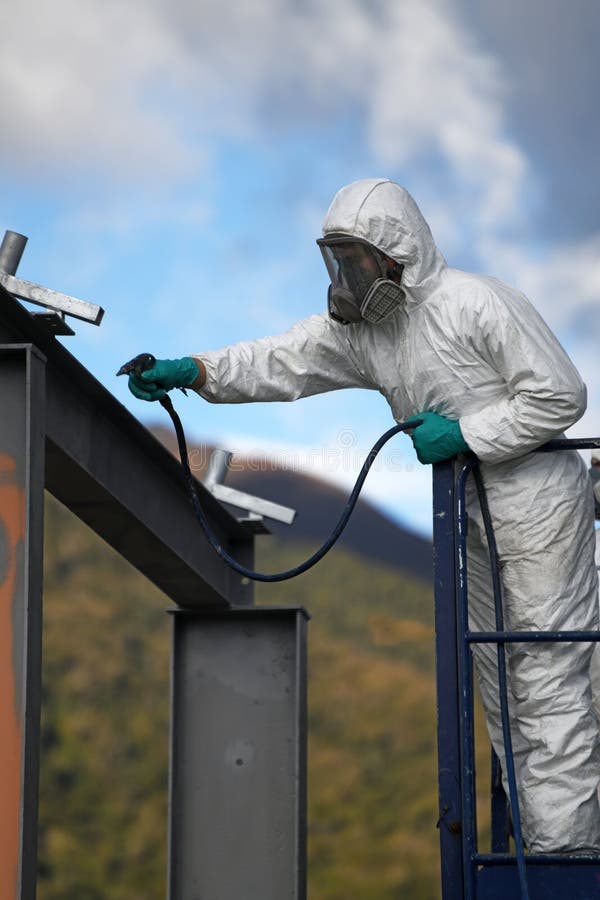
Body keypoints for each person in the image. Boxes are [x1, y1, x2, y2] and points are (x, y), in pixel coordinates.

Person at [127, 178, 600, 854]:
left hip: (540, 509)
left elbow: (561, 394)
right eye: (338, 259)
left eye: (357, 258)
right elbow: (282, 360)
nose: (347, 275)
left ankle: (566, 867)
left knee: (546, 679)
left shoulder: (479, 304)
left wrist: (466, 435)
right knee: (503, 690)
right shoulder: (371, 336)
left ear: (397, 252)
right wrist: (196, 371)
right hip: (473, 515)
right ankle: (548, 849)